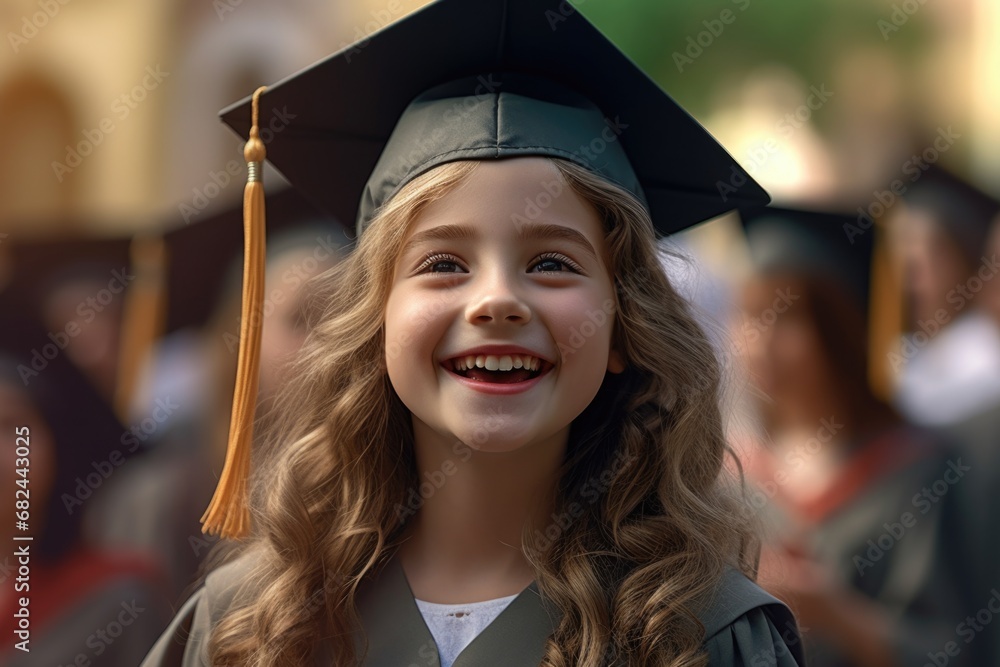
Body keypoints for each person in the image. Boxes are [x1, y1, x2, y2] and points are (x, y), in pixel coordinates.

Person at [141, 0, 804, 664]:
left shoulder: (700, 636)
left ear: (625, 329)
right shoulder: (250, 626)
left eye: (551, 262)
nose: (496, 300)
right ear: (375, 322)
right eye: (444, 264)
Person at [735, 206, 970, 666]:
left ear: (840, 327)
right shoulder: (729, 469)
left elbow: (956, 649)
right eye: (748, 314)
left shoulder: (923, 472)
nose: (759, 340)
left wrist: (834, 613)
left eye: (786, 317)